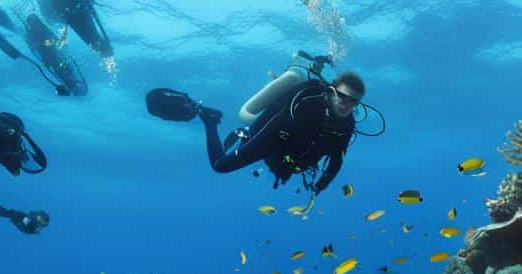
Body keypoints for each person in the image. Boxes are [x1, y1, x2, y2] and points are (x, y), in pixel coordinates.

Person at [148, 56, 365, 195]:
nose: (347, 104)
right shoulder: (305, 105)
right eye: (343, 96)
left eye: (354, 101)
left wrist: (320, 187)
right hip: (275, 138)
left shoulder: (347, 125)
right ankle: (210, 121)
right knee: (220, 166)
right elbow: (274, 122)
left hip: (291, 161)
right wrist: (254, 138)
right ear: (331, 91)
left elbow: (337, 159)